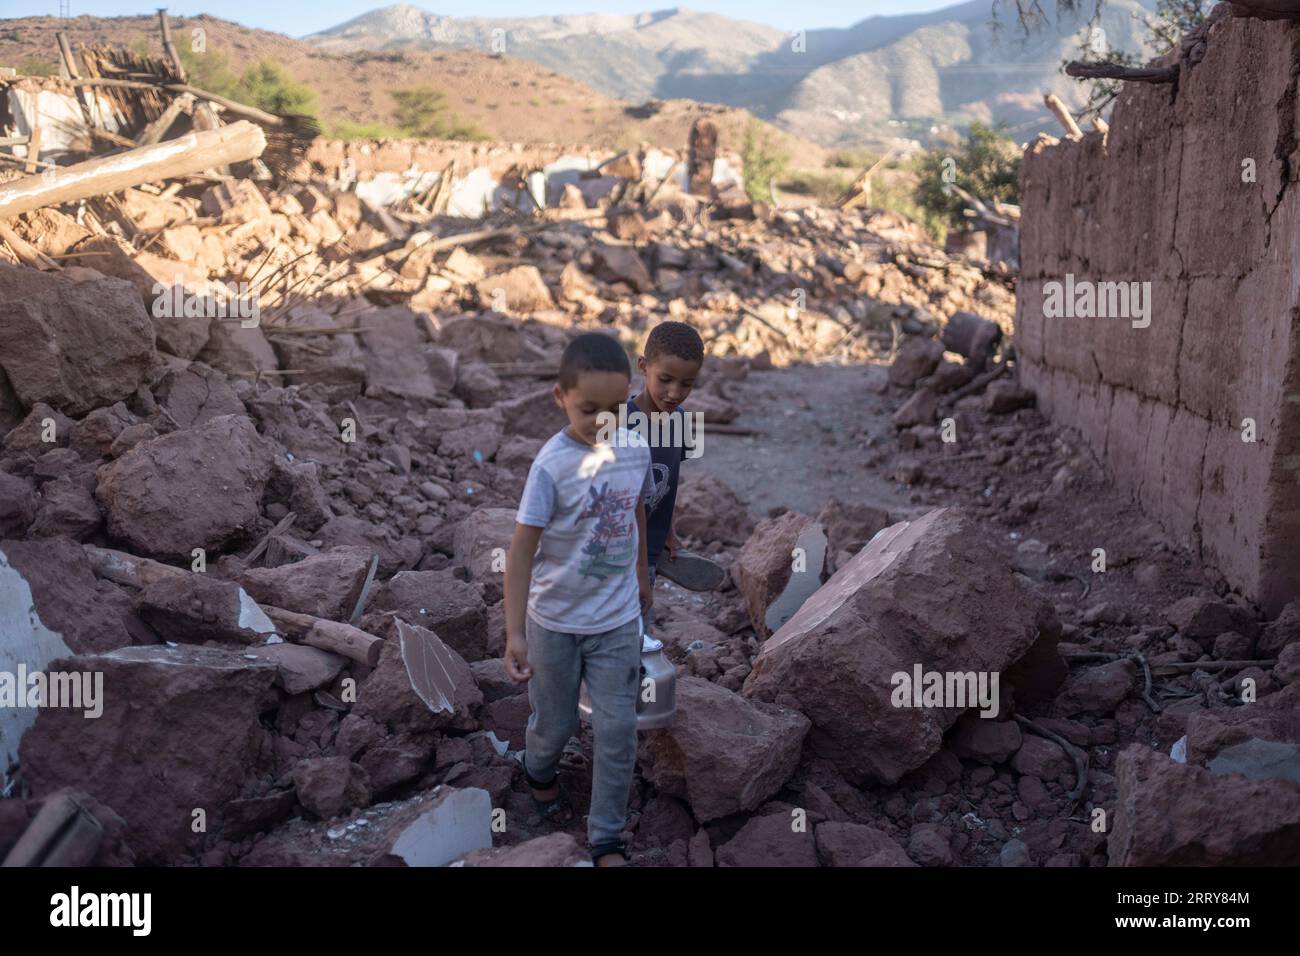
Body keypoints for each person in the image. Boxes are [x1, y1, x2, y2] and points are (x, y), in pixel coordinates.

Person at [503, 332, 652, 867]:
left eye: (616, 409)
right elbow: (521, 552)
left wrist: (640, 572)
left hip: (616, 620)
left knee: (617, 726)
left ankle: (606, 835)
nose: (605, 422)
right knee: (556, 724)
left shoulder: (635, 449)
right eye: (590, 409)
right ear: (560, 397)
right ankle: (538, 769)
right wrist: (516, 631)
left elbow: (635, 507)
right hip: (556, 622)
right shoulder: (550, 466)